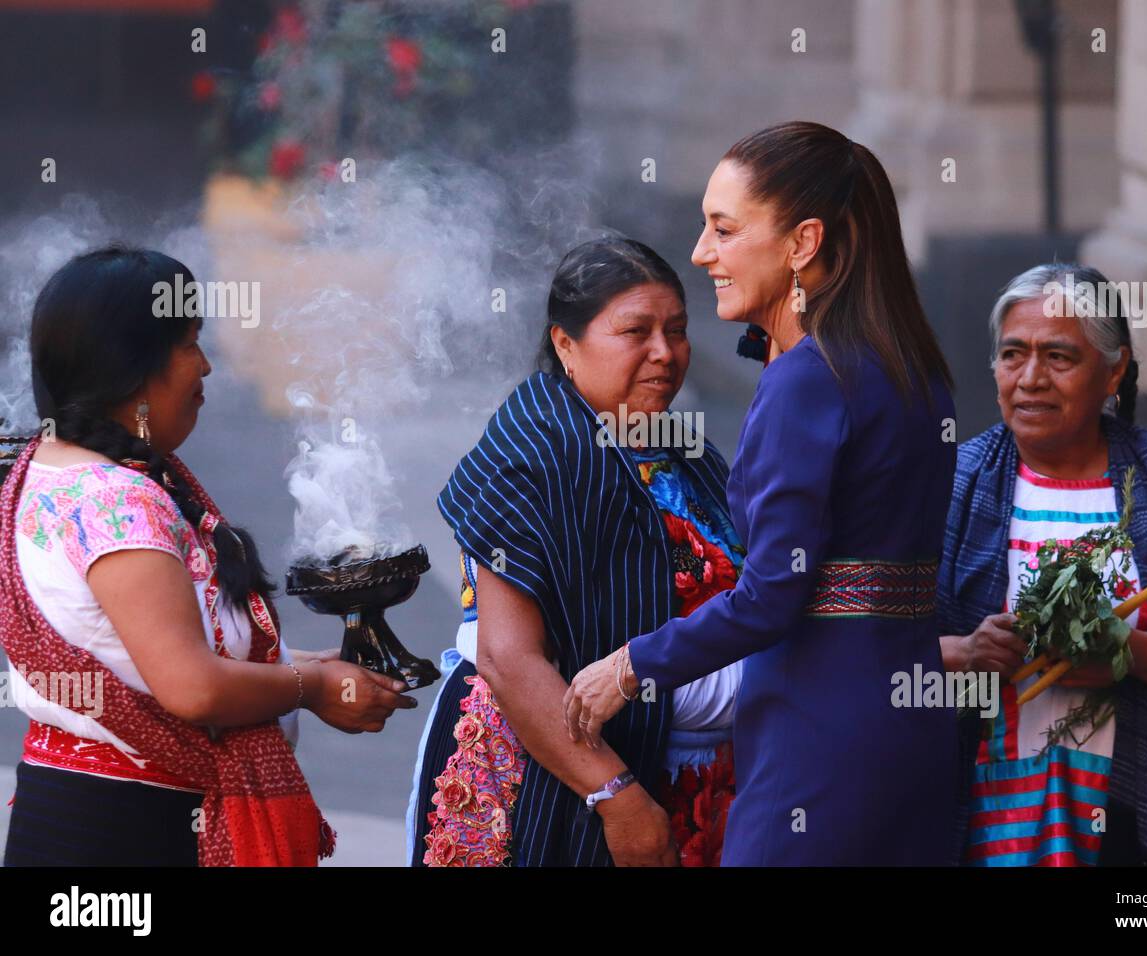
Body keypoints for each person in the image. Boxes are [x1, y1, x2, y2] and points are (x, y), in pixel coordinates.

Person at [564, 122, 960, 866]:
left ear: (803, 243)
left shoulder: (810, 380)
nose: (701, 253)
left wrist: (629, 665)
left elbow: (773, 594)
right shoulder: (914, 369)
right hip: (913, 732)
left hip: (819, 740)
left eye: (722, 228)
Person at [0, 246, 414, 867]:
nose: (206, 367)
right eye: (190, 343)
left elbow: (139, 648)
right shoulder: (117, 500)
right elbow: (192, 687)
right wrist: (311, 686)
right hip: (129, 830)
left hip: (75, 816)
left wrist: (296, 664)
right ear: (133, 365)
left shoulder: (50, 468)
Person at [406, 236, 743, 867]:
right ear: (566, 344)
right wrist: (618, 799)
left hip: (692, 785)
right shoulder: (537, 454)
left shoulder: (683, 450)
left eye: (676, 330)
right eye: (634, 331)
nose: (664, 354)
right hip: (559, 782)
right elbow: (509, 660)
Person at [937, 263, 1147, 866]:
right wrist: (963, 651)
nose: (1030, 378)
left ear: (1113, 371)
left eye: (1058, 357)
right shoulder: (954, 486)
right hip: (984, 811)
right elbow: (881, 648)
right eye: (1013, 354)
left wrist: (1125, 652)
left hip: (1132, 813)